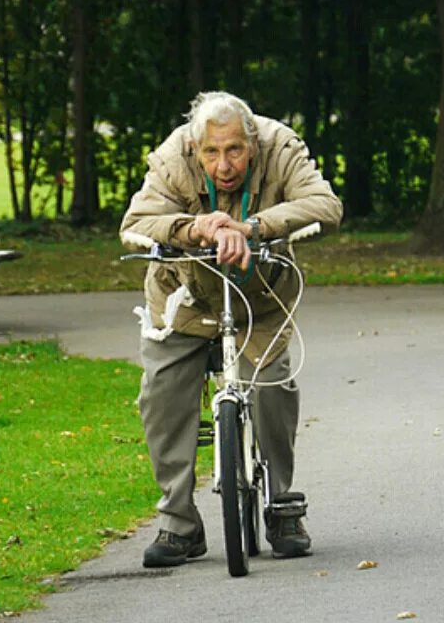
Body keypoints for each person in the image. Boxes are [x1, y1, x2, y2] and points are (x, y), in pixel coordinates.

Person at [120, 91, 343, 568]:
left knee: (272, 387)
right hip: (184, 299)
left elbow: (325, 205)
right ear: (195, 148)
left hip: (261, 297)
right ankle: (179, 523)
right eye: (212, 152)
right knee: (161, 394)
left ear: (252, 143)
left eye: (235, 150)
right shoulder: (171, 157)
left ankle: (282, 506)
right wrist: (195, 227)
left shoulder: (280, 146)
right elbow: (136, 221)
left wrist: (254, 227)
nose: (224, 165)